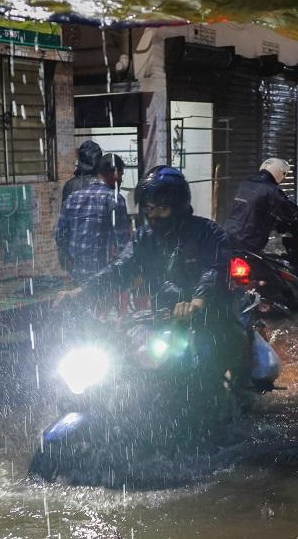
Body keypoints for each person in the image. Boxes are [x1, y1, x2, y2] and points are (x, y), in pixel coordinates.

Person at [54, 165, 245, 393]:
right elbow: (121, 268)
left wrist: (197, 302)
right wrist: (79, 292)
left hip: (208, 319)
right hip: (162, 318)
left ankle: (219, 415)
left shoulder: (208, 233)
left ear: (178, 207)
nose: (153, 216)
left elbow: (213, 272)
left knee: (205, 374)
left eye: (161, 209)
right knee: (125, 367)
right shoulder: (145, 237)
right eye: (148, 209)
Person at [54, 153, 131, 283]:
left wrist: (70, 261)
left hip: (77, 273)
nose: (121, 180)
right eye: (122, 175)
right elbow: (122, 243)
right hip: (104, 276)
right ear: (115, 173)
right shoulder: (114, 199)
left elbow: (60, 235)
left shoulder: (73, 197)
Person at [222, 157, 298, 253]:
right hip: (249, 242)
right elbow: (292, 212)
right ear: (280, 173)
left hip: (228, 236)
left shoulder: (245, 184)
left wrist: (278, 224)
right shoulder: (271, 190)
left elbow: (253, 211)